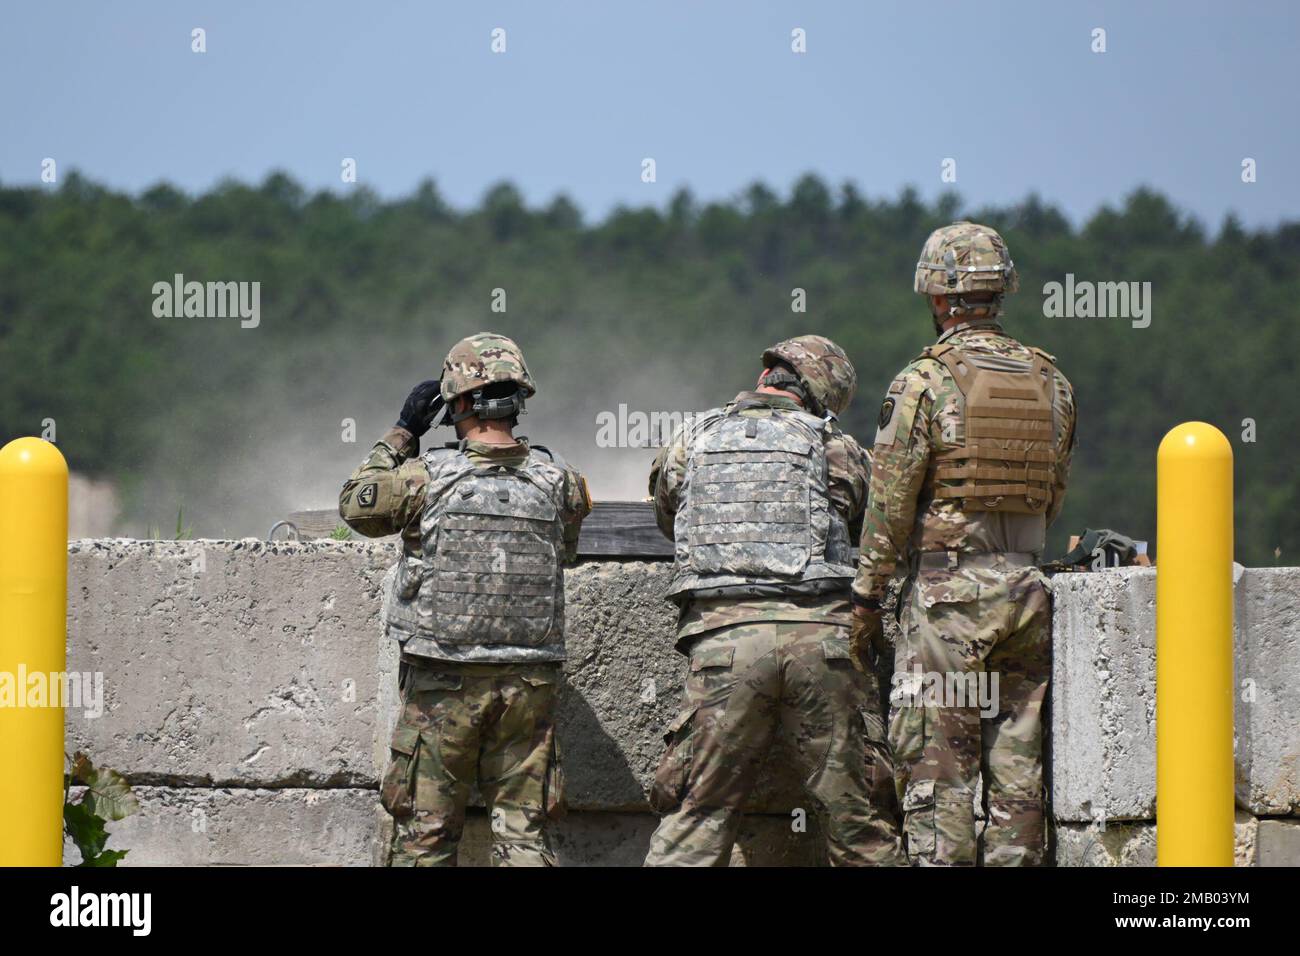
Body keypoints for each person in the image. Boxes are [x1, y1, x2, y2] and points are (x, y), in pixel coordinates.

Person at [850, 222, 1077, 866]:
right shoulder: (1052, 382)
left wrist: (867, 598)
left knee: (937, 772)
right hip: (1027, 593)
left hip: (950, 601)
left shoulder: (923, 382)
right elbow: (1053, 494)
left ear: (936, 295)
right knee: (1019, 777)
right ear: (1000, 291)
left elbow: (890, 502)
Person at [644, 335, 903, 866]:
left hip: (724, 644)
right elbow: (866, 523)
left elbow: (670, 518)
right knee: (856, 819)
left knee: (697, 819)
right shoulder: (837, 447)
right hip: (823, 643)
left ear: (767, 376)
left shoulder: (691, 439)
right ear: (821, 396)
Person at [340, 332, 591, 866]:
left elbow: (356, 506)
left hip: (443, 681)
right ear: (518, 400)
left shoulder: (424, 478)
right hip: (529, 682)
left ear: (456, 403)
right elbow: (564, 552)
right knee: (524, 840)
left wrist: (403, 430)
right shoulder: (562, 481)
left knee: (426, 839)